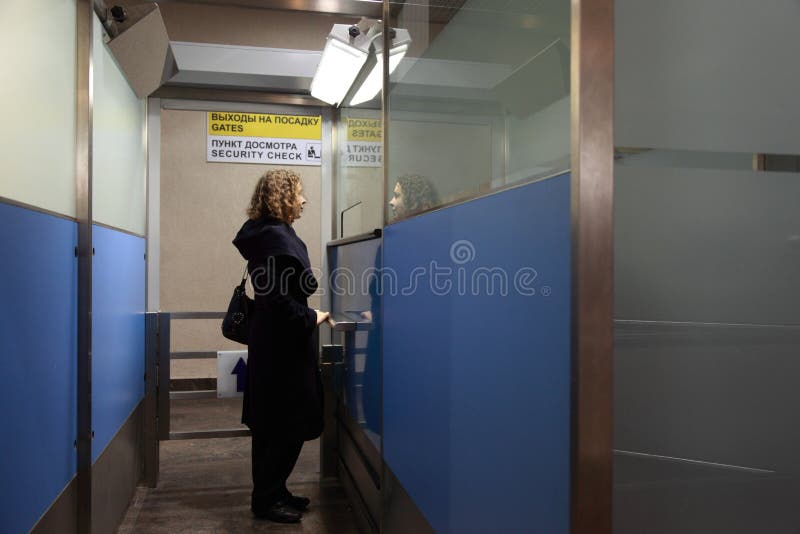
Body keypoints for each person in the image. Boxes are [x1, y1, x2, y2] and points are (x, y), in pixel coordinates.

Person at [232, 169, 330, 523]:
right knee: (282, 425)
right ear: (283, 197)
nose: (304, 200)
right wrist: (313, 316)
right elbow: (276, 300)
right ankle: (266, 500)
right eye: (300, 193)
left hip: (275, 346)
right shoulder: (274, 239)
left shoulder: (268, 236)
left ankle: (275, 490)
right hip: (282, 350)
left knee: (278, 424)